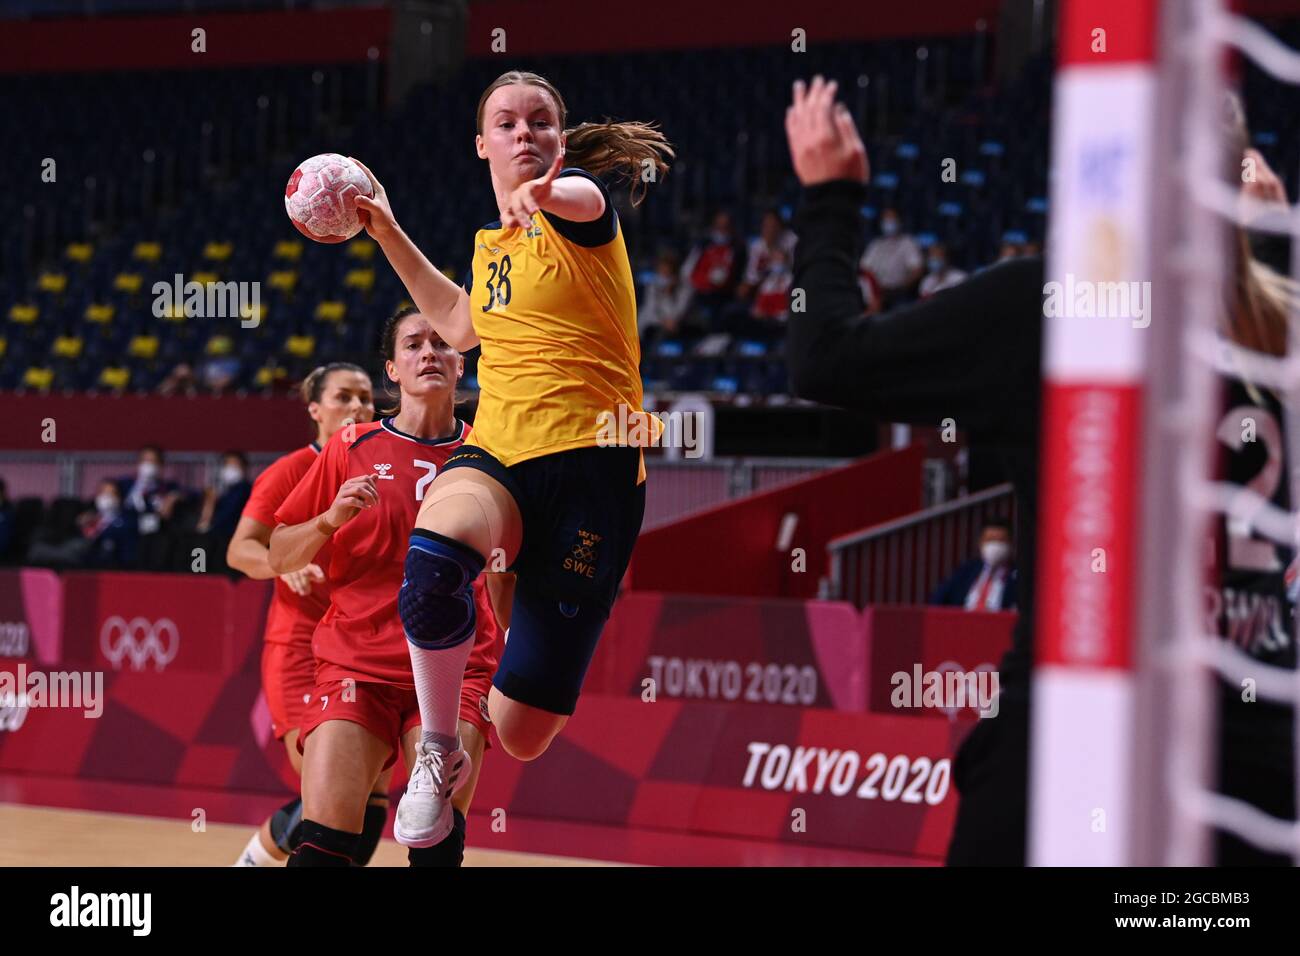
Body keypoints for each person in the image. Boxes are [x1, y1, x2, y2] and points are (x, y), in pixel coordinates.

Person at [785, 76, 1296, 866]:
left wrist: (828, 198)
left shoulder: (1056, 311)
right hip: (1251, 760)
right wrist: (1268, 240)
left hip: (1071, 743)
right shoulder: (1281, 323)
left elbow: (823, 359)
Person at [348, 69, 671, 847]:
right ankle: (435, 748)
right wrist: (387, 229)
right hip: (499, 450)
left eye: (541, 123)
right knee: (432, 560)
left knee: (525, 731)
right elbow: (461, 324)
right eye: (507, 123)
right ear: (482, 143)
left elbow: (587, 201)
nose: (524, 134)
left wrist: (546, 196)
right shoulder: (490, 243)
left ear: (560, 142)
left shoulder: (582, 211)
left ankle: (499, 682)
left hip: (595, 473)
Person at [268, 308, 509, 867]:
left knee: (433, 849)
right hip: (358, 665)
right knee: (322, 848)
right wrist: (328, 520)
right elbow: (280, 550)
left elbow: (508, 575)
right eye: (413, 344)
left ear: (461, 361)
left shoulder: (494, 456)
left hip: (457, 672)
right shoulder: (351, 447)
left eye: (442, 343)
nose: (429, 352)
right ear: (392, 371)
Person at [226, 362, 375, 866]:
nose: (357, 407)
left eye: (366, 398)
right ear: (315, 410)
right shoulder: (290, 470)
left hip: (361, 650)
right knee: (325, 792)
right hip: (299, 648)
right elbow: (239, 550)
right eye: (344, 398)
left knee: (369, 797)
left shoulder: (383, 464)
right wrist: (279, 566)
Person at [930, 519, 1017, 611]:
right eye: (990, 540)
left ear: (1011, 543)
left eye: (1000, 540)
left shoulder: (1018, 575)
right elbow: (938, 599)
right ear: (980, 542)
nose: (995, 545)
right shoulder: (966, 571)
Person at [859, 206, 923, 308]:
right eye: (886, 219)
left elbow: (917, 270)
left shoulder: (908, 243)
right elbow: (864, 268)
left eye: (891, 219)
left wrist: (901, 288)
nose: (888, 222)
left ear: (899, 221)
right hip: (874, 293)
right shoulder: (876, 244)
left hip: (896, 293)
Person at [198, 450, 252, 541]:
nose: (230, 468)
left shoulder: (244, 490)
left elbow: (227, 517)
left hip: (232, 537)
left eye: (234, 465)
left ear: (244, 468)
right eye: (227, 464)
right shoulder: (225, 491)